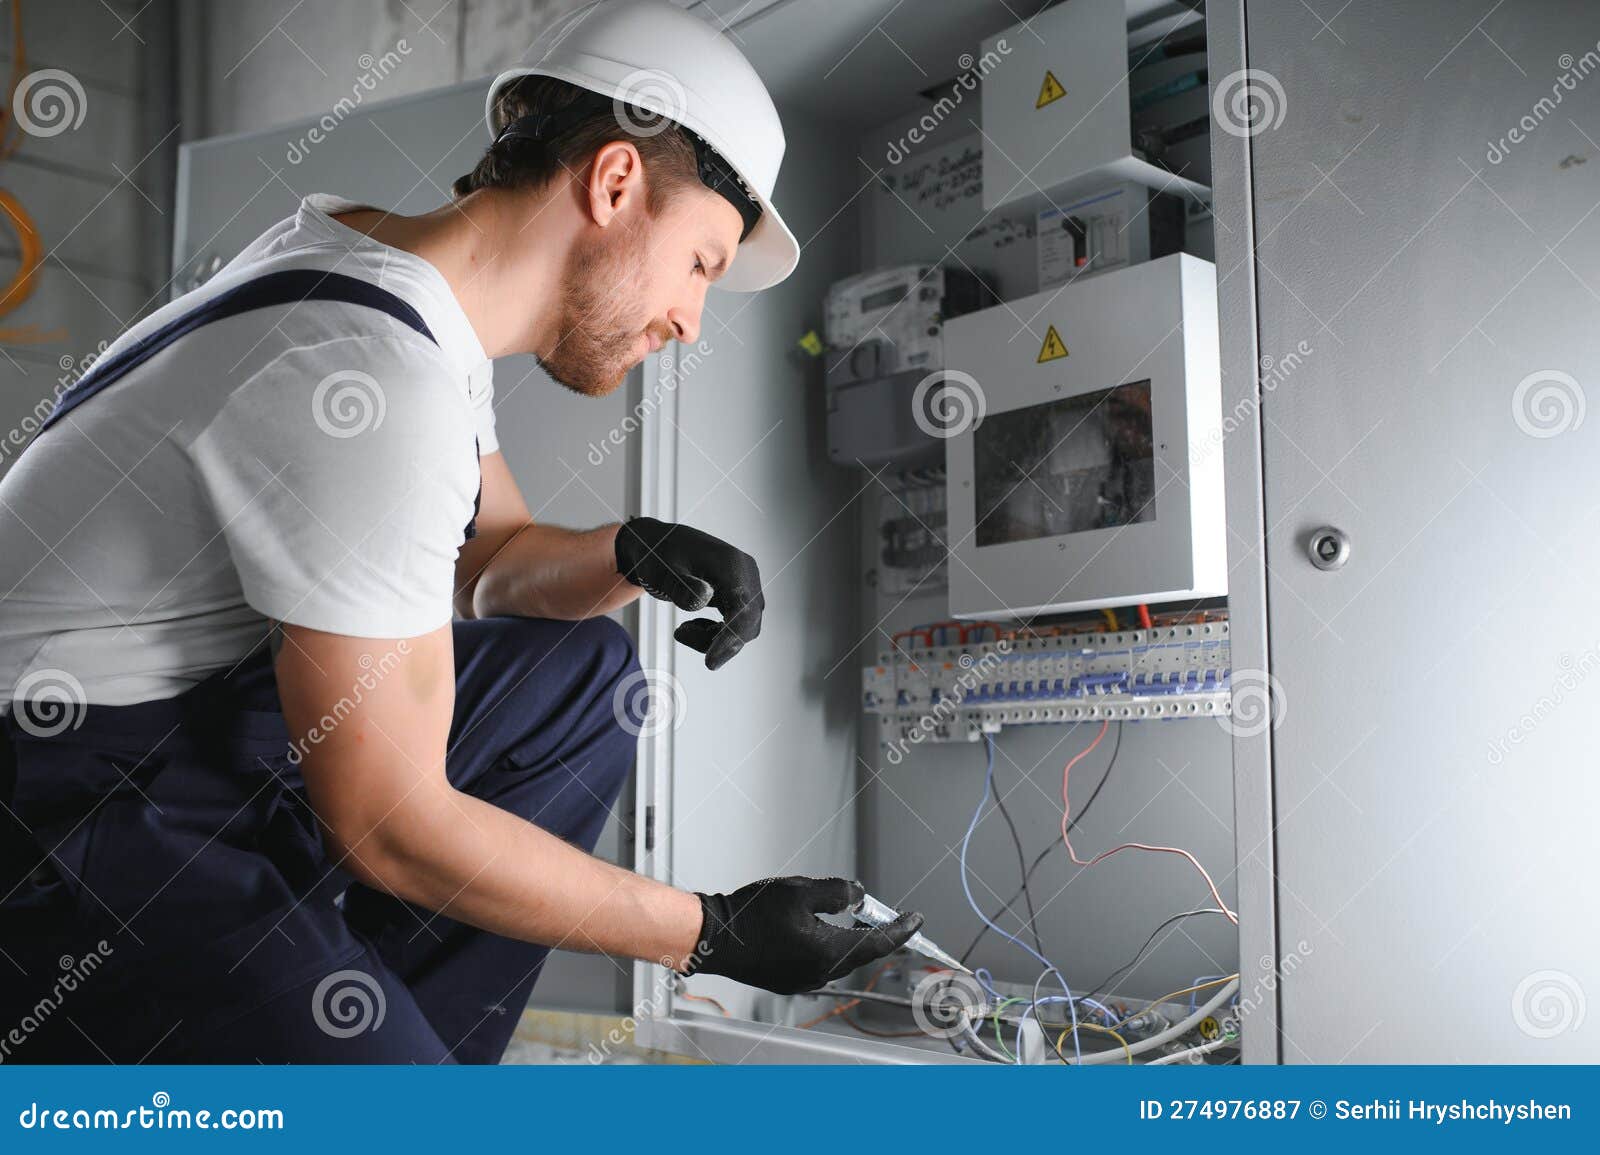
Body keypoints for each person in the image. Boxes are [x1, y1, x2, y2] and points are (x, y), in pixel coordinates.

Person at [0, 0, 919, 1064]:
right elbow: (389, 824)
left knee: (576, 672)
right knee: (402, 872)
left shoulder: (385, 282)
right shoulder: (372, 376)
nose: (690, 321)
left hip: (162, 729)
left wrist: (628, 552)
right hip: (58, 812)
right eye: (701, 265)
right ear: (614, 183)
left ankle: (374, 1036)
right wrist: (708, 933)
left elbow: (485, 565)